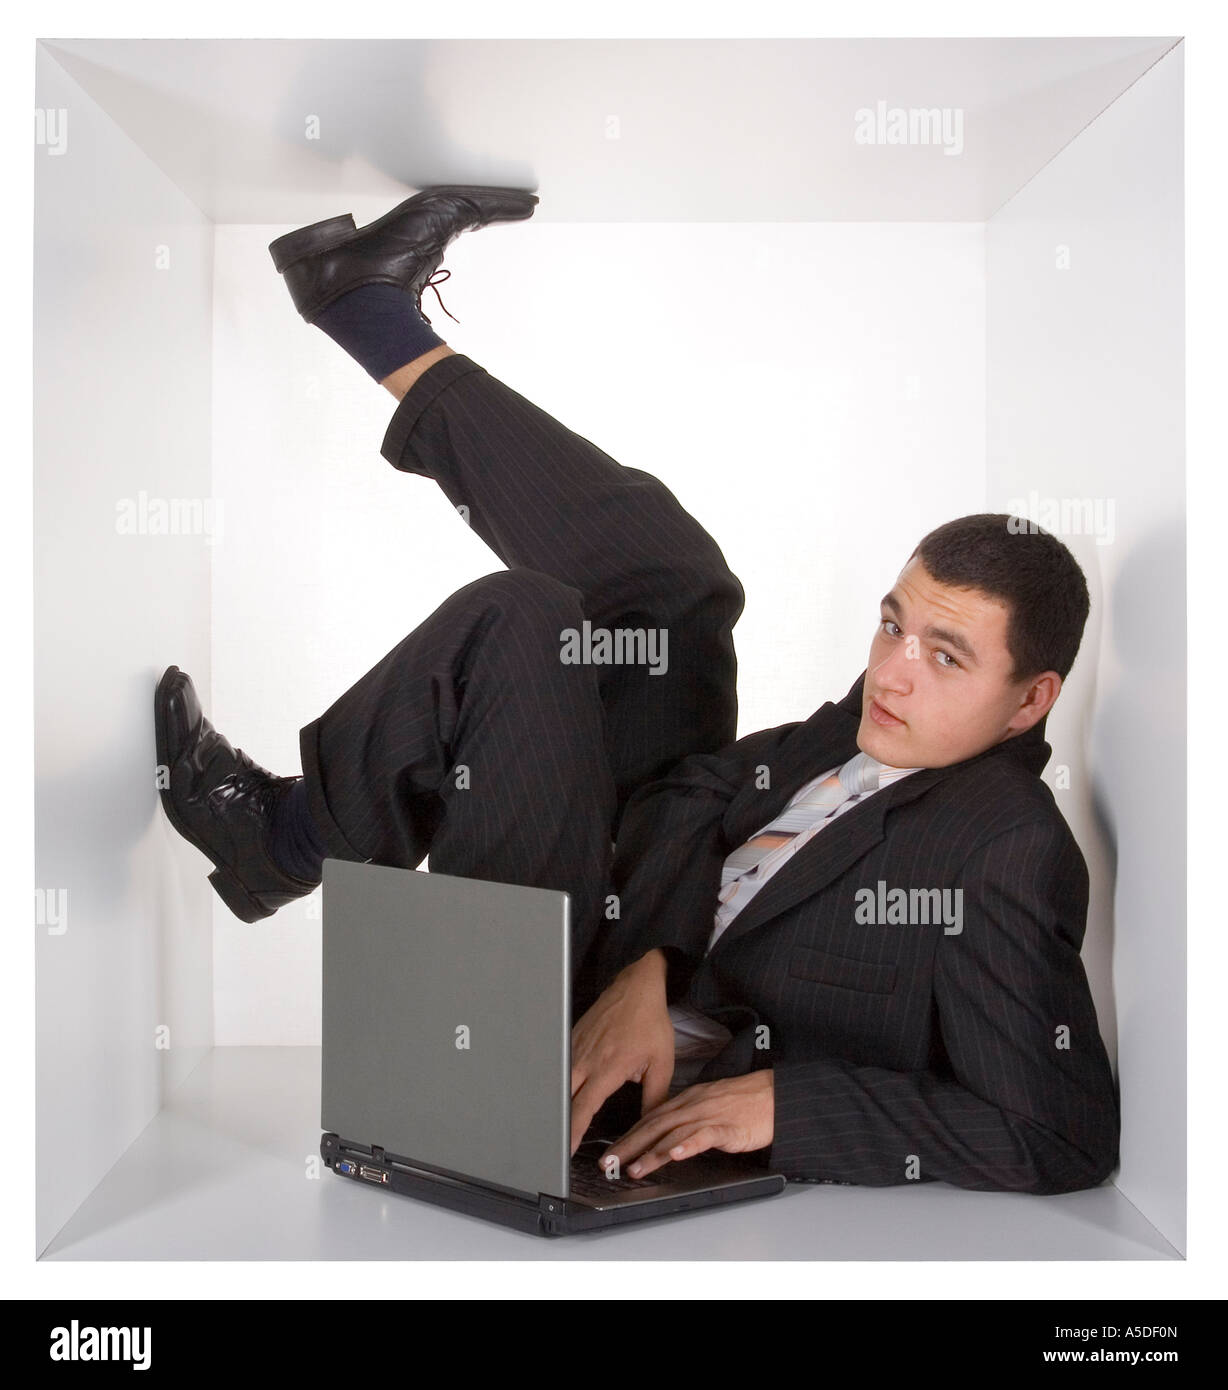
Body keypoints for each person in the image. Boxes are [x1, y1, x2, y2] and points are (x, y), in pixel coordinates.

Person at [155, 186, 1119, 1196]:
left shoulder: (1006, 850)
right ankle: (367, 313)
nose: (891, 669)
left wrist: (782, 1102)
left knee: (520, 619)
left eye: (946, 656)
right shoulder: (879, 723)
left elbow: (1056, 1132)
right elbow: (699, 788)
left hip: (547, 1039)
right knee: (672, 587)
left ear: (1029, 701)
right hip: (619, 932)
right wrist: (647, 963)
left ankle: (289, 838)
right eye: (892, 623)